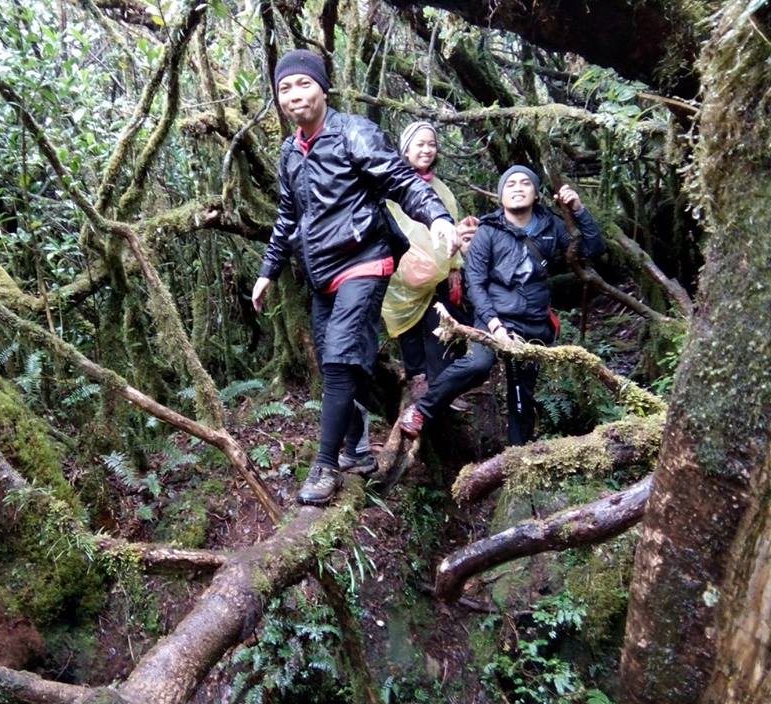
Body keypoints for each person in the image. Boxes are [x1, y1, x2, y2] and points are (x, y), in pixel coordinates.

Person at [252, 50, 459, 505]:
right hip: (322, 271)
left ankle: (326, 467)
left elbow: (401, 181)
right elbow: (289, 215)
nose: (293, 95)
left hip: (365, 259)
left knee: (341, 358)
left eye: (303, 84)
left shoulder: (353, 133)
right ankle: (358, 451)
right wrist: (269, 271)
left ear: (323, 88)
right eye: (284, 88)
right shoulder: (290, 152)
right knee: (338, 361)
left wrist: (438, 217)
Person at [398, 165, 606, 445]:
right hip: (493, 316)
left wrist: (578, 210)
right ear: (500, 196)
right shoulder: (489, 230)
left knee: (522, 395)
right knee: (477, 364)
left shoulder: (551, 225)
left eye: (525, 183)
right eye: (510, 184)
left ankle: (515, 459)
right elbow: (475, 282)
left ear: (535, 194)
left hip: (534, 322)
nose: (518, 188)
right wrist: (494, 325)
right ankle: (422, 410)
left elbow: (593, 249)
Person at [381, 121, 479, 400]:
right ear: (406, 150)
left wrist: (455, 266)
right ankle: (417, 382)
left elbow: (450, 228)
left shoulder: (442, 189)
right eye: (420, 144)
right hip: (403, 273)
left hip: (439, 272)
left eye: (431, 144)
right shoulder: (392, 184)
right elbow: (391, 227)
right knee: (409, 329)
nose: (426, 150)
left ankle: (443, 387)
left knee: (441, 327)